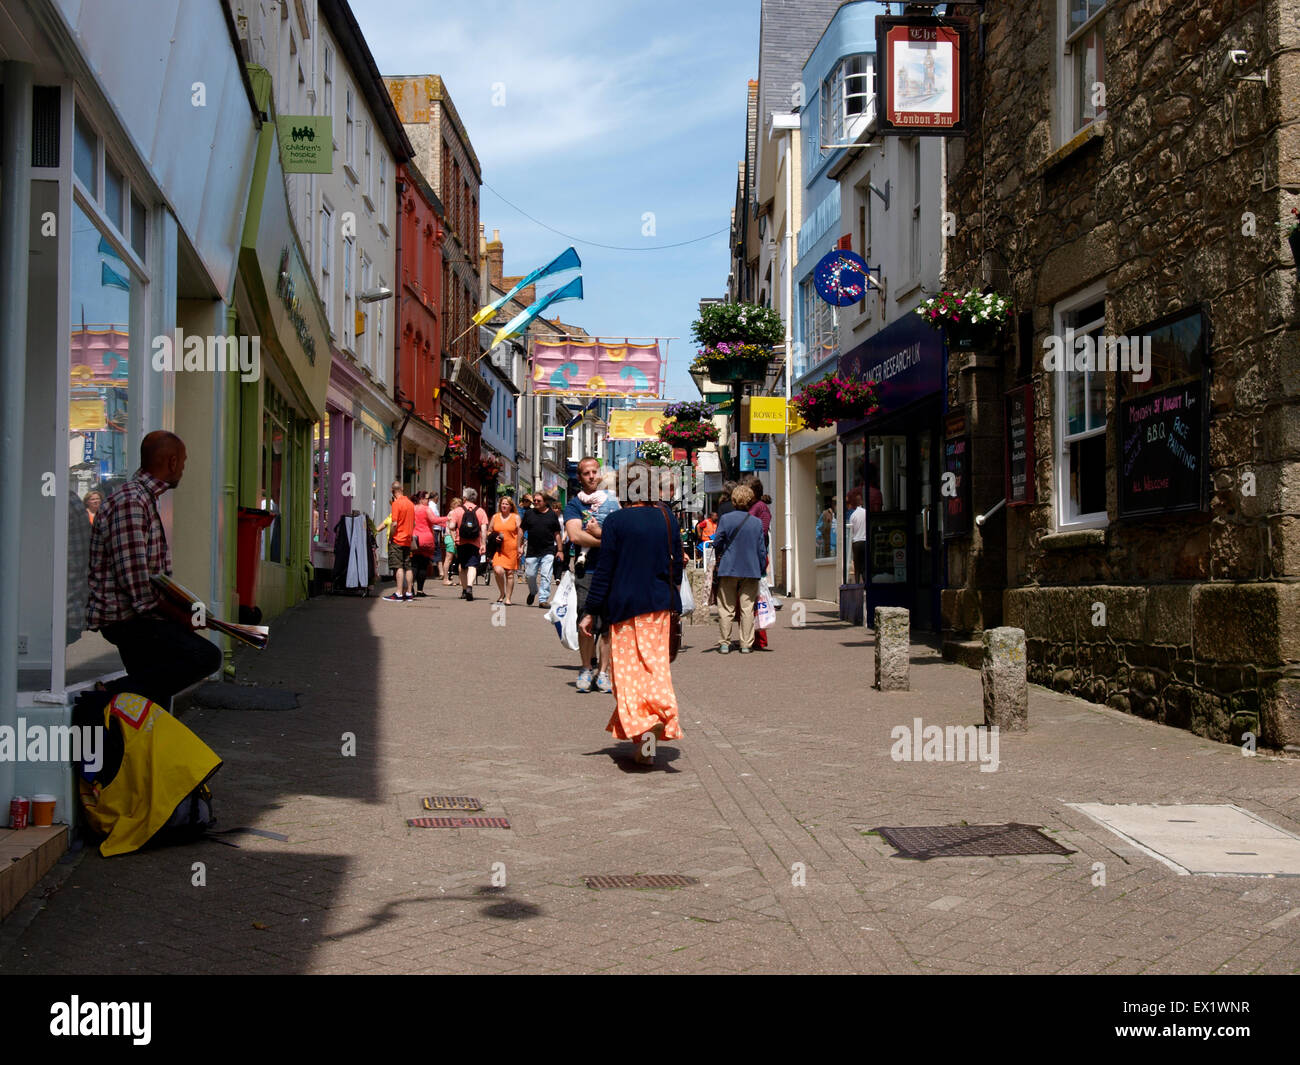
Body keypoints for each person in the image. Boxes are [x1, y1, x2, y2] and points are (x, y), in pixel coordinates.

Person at [86, 431, 222, 709]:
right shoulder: (131, 501)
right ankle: (105, 696)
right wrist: (182, 618)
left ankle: (126, 734)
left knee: (153, 695)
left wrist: (185, 610)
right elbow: (136, 585)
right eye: (183, 462)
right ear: (171, 462)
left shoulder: (142, 498)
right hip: (126, 619)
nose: (183, 468)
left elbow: (147, 579)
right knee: (205, 657)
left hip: (136, 617)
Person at [578, 460, 684, 766]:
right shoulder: (667, 518)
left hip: (624, 607)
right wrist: (670, 590)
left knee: (627, 675)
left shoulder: (616, 523)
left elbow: (605, 572)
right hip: (659, 607)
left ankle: (643, 726)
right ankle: (653, 726)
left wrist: (590, 611)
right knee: (654, 669)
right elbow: (677, 562)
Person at [564, 457, 613, 693]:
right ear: (579, 477)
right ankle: (585, 668)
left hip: (611, 568)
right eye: (586, 473)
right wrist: (606, 541)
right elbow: (575, 536)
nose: (592, 476)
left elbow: (621, 532)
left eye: (595, 472)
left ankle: (603, 672)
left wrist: (599, 537)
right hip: (587, 570)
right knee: (585, 619)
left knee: (607, 623)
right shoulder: (575, 505)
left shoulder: (611, 502)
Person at [712, 483, 767, 653]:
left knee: (726, 607)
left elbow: (717, 542)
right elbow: (761, 549)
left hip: (729, 568)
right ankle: (746, 644)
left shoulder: (726, 519)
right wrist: (762, 569)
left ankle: (724, 643)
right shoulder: (757, 523)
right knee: (747, 608)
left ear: (734, 500)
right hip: (750, 569)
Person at [742, 476, 773, 649]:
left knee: (757, 597)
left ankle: (759, 637)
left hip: (757, 555)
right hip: (749, 554)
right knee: (750, 598)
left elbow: (762, 531)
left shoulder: (760, 507)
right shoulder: (751, 507)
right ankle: (751, 635)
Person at [521, 491, 563, 607]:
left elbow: (557, 533)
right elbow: (522, 530)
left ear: (545, 502)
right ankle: (533, 591)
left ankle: (543, 599)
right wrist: (519, 546)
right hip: (532, 551)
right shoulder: (529, 514)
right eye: (534, 500)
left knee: (546, 575)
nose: (535, 502)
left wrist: (560, 550)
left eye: (538, 501)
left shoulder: (552, 515)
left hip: (548, 550)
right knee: (530, 575)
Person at [448, 488, 488, 601]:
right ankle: (470, 586)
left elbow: (451, 526)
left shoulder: (458, 511)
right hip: (475, 542)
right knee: (472, 565)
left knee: (462, 566)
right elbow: (484, 529)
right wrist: (483, 543)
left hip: (461, 542)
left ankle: (464, 590)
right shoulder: (481, 511)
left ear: (464, 498)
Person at [378, 482, 416, 602]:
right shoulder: (410, 504)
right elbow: (413, 522)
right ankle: (409, 592)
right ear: (402, 489)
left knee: (398, 566)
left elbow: (394, 524)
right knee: (408, 566)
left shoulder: (396, 504)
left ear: (392, 491)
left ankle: (399, 593)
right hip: (408, 539)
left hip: (398, 539)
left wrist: (391, 538)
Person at [489, 495, 522, 604]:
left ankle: (508, 598)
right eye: (503, 503)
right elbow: (489, 531)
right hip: (499, 550)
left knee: (510, 573)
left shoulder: (515, 517)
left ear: (511, 506)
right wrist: (494, 537)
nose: (504, 505)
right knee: (498, 571)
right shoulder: (495, 517)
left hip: (512, 549)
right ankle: (502, 592)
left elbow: (520, 533)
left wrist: (520, 547)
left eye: (506, 504)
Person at [848, 489, 867, 584]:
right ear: (862, 501)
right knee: (864, 564)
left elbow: (851, 531)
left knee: (857, 565)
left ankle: (857, 584)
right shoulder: (866, 513)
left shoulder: (853, 515)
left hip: (856, 542)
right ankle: (866, 583)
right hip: (864, 541)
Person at [442, 496, 461, 584]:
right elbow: (452, 529)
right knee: (449, 559)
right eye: (457, 505)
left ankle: (461, 580)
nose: (459, 507)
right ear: (453, 505)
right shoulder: (452, 513)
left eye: (460, 505)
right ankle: (445, 579)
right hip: (451, 537)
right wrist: (454, 541)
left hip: (452, 537)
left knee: (459, 559)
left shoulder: (454, 513)